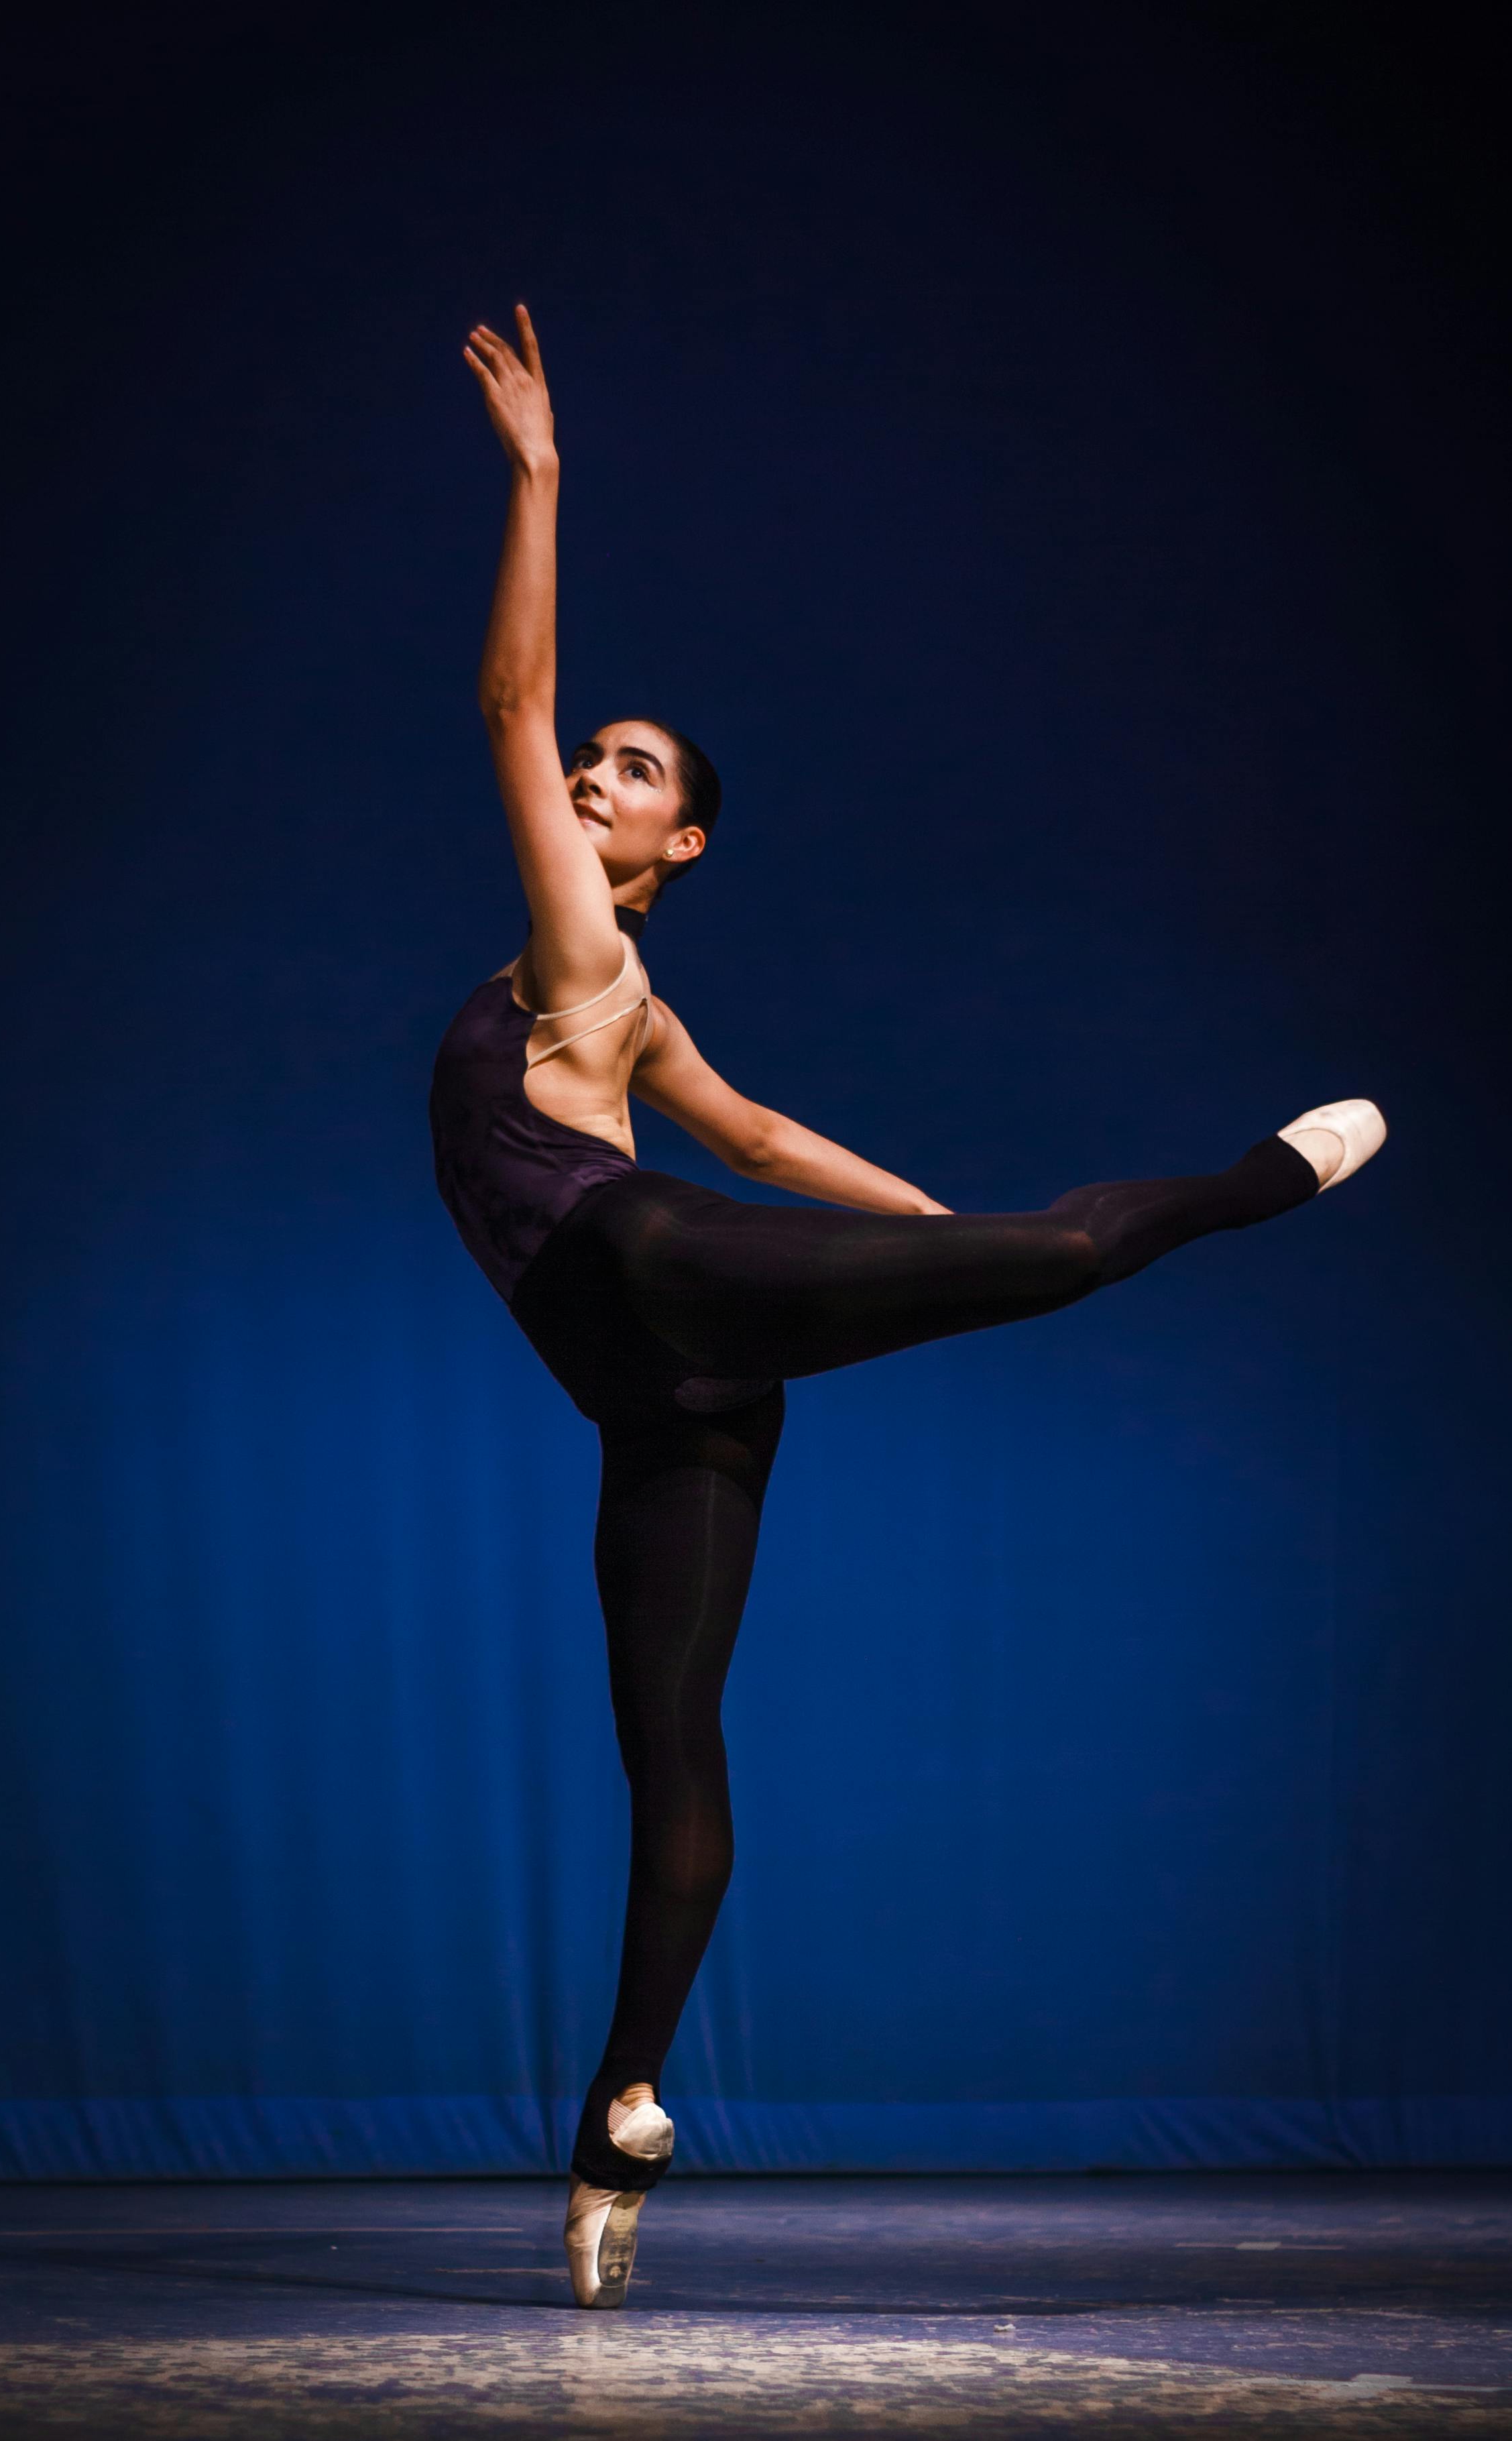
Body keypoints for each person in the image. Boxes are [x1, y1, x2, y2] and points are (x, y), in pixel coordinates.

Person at [432, 306, 1386, 2309]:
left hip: (645, 1275)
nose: (590, 772)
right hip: (659, 1380)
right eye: (597, 763)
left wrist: (537, 477)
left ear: (664, 846)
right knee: (667, 1747)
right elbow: (770, 1130)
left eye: (631, 772)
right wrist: (921, 1228)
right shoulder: (616, 1001)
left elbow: (510, 701)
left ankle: (1245, 1181)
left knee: (1037, 1257)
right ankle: (621, 2109)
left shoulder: (588, 950)